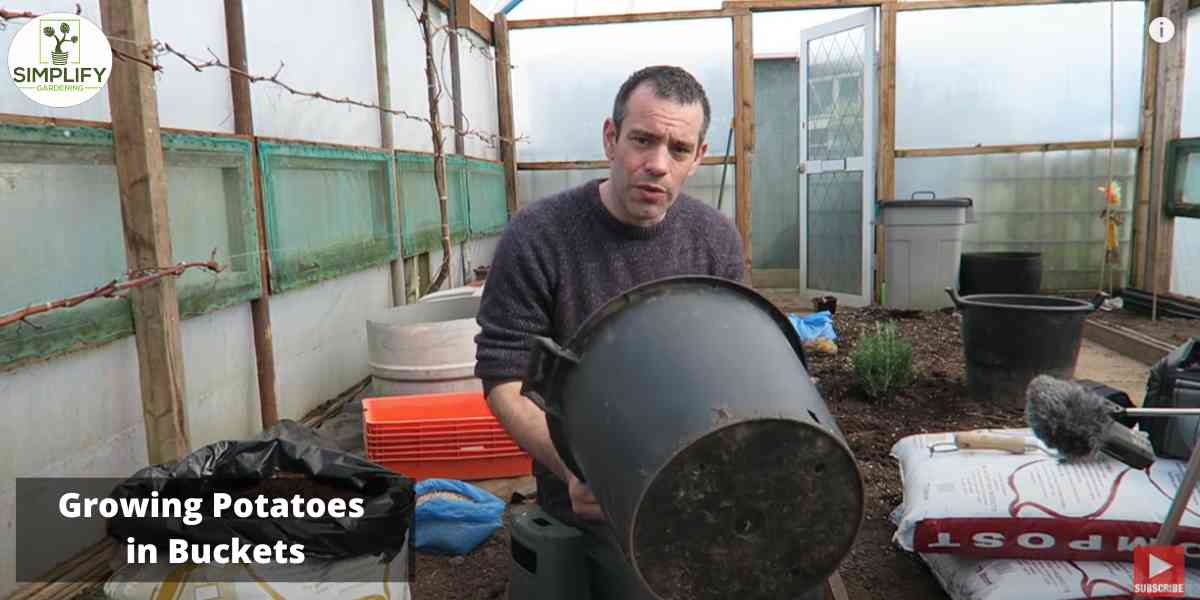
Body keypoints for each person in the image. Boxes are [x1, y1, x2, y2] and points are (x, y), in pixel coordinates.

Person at [474, 65, 746, 534]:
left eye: (678, 149)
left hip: (694, 481)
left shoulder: (715, 239)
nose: (658, 164)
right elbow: (505, 375)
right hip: (587, 495)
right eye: (642, 140)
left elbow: (734, 365)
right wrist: (574, 468)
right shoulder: (540, 235)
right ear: (610, 138)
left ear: (698, 157)